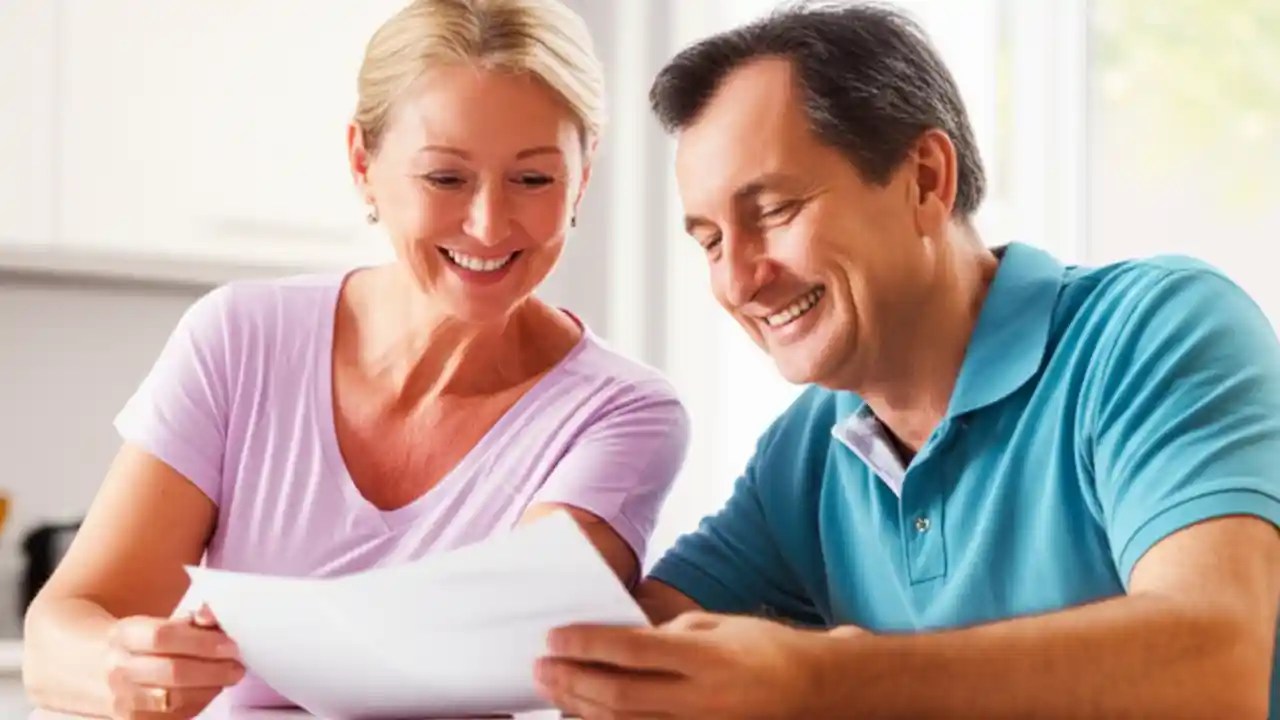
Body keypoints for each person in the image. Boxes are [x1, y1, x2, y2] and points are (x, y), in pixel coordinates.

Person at [536, 3, 1280, 718]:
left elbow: (1215, 665)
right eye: (710, 242)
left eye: (773, 212)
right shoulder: (807, 451)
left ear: (925, 179)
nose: (737, 281)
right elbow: (637, 652)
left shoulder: (1155, 330)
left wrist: (823, 683)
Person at [22, 0, 689, 717]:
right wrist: (123, 666)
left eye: (533, 180)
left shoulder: (621, 414)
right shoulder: (241, 338)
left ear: (582, 178)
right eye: (445, 178)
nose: (489, 224)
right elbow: (61, 636)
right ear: (362, 163)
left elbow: (486, 652)